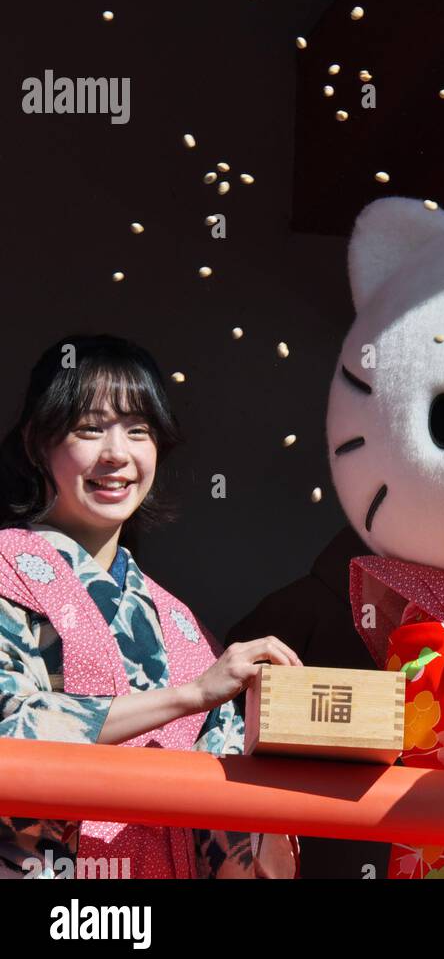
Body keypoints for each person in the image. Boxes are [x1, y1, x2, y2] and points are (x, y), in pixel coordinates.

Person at [0, 333, 303, 878]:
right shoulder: (7, 570)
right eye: (89, 429)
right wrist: (190, 695)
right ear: (35, 444)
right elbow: (10, 724)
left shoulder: (180, 623)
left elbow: (230, 804)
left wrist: (285, 739)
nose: (116, 454)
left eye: (138, 431)